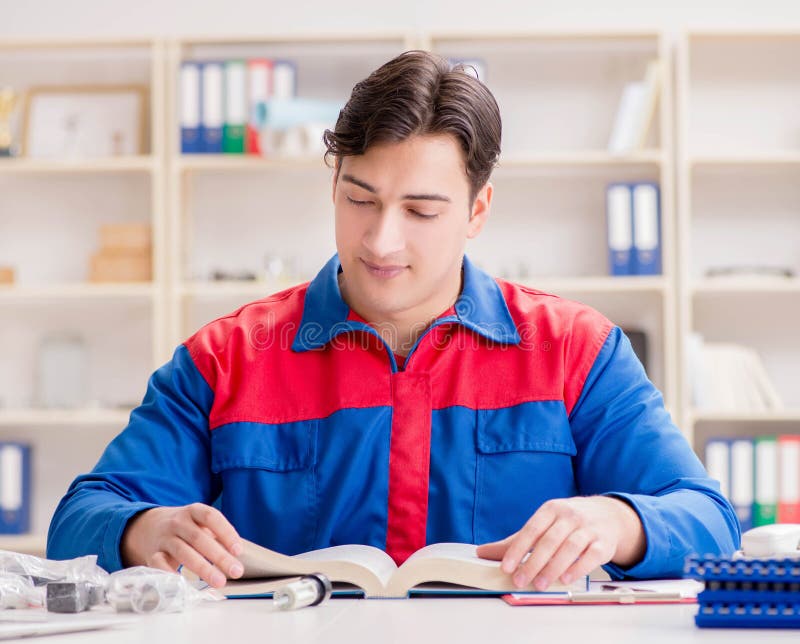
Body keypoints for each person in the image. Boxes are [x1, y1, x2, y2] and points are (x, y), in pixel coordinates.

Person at [47, 50, 739, 592]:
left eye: (422, 211)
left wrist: (618, 522)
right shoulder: (224, 357)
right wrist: (144, 529)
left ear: (476, 211)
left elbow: (711, 520)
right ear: (334, 184)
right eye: (361, 199)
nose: (381, 241)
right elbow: (80, 518)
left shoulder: (576, 351)